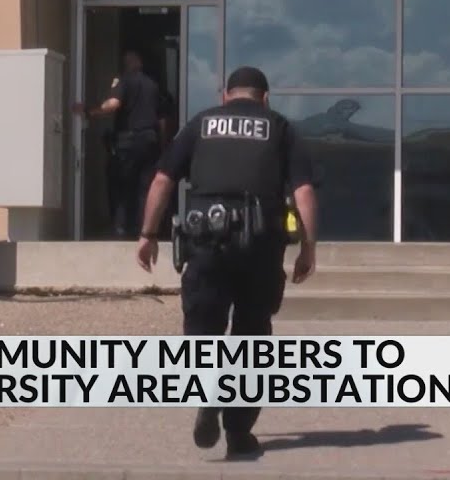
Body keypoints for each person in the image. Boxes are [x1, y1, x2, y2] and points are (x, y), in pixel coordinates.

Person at [133, 66, 318, 458]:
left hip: (204, 242)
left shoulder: (201, 124)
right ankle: (238, 435)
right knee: (252, 336)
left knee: (203, 330)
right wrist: (308, 247)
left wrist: (148, 234)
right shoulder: (279, 127)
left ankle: (208, 394)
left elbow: (163, 179)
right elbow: (302, 188)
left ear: (225, 95)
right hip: (260, 248)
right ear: (264, 98)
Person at [74, 49, 163, 237]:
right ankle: (144, 231)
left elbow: (113, 104)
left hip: (129, 142)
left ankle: (121, 229)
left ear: (131, 62)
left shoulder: (125, 80)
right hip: (150, 141)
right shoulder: (153, 85)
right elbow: (162, 119)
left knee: (122, 187)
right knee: (144, 188)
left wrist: (89, 111)